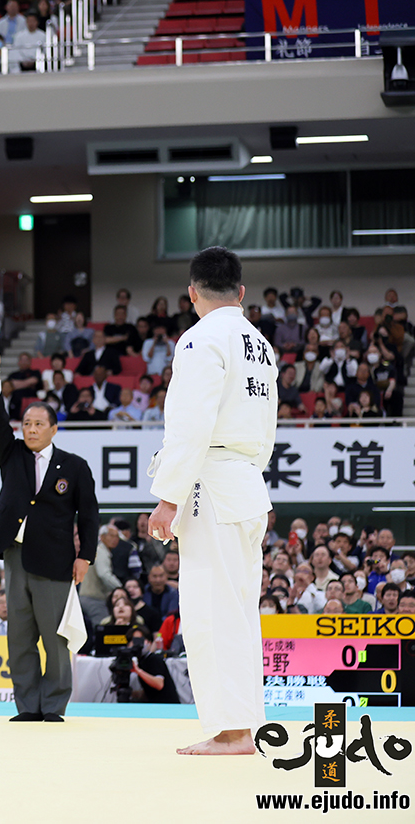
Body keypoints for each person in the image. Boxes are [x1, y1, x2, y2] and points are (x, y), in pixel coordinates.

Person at [147, 246, 277, 756]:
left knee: (209, 609)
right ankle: (243, 726)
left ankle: (230, 732)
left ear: (192, 293)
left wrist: (168, 497)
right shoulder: (259, 342)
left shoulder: (200, 338)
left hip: (213, 482)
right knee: (242, 611)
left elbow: (190, 424)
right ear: (241, 292)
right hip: (247, 479)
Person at [0, 341, 98, 722]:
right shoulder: (11, 454)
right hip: (14, 558)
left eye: (38, 424)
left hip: (56, 561)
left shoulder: (74, 466)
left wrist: (86, 557)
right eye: (26, 423)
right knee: (19, 640)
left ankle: (53, 707)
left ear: (54, 429)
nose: (30, 429)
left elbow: (90, 514)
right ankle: (28, 707)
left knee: (56, 637)